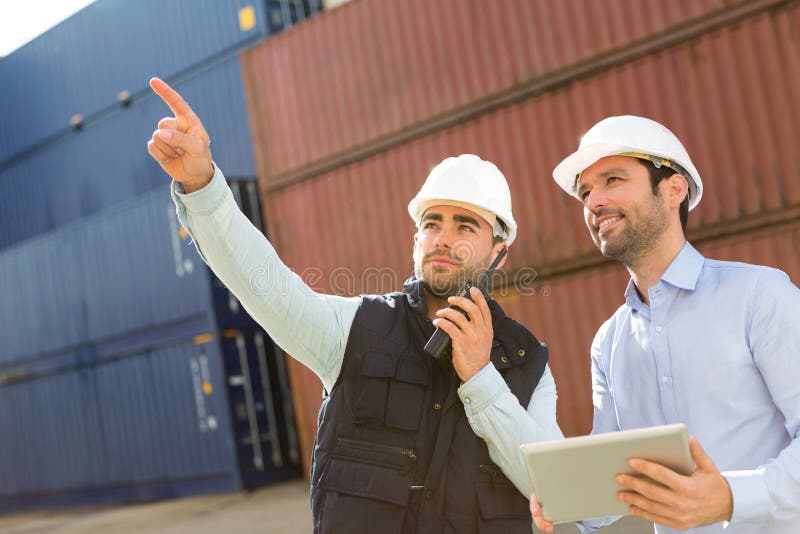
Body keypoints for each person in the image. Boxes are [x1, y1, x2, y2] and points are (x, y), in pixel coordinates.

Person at [146, 77, 563, 534]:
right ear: (416, 238)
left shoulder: (528, 363)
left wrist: (483, 379)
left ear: (499, 252)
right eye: (431, 223)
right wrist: (203, 186)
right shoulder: (355, 331)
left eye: (465, 226)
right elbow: (263, 283)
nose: (443, 238)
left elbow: (555, 488)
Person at [530, 115, 800, 534]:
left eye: (613, 180)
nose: (594, 201)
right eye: (585, 191)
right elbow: (613, 481)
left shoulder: (759, 295)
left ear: (674, 189)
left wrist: (730, 498)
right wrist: (567, 508)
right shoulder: (609, 342)